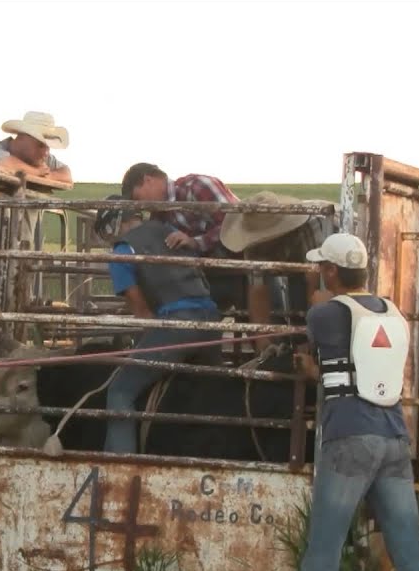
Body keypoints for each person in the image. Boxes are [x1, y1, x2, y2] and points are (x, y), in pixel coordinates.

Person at [270, 232, 419, 571]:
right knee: (408, 553)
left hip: (349, 438)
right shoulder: (393, 314)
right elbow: (356, 368)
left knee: (324, 548)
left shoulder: (325, 314)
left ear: (330, 270)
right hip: (393, 438)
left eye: (320, 268)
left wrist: (308, 368)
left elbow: (322, 353)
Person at [96, 196, 221, 454]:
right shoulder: (169, 231)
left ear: (114, 223)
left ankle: (119, 467)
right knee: (207, 395)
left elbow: (143, 314)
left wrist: (143, 346)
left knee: (120, 392)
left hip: (177, 325)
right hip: (211, 321)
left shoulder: (123, 251)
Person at [218, 191, 338, 352]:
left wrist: (310, 340)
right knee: (288, 306)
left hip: (331, 264)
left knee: (305, 299)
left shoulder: (312, 227)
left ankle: (308, 350)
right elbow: (257, 290)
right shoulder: (254, 245)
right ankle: (290, 351)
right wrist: (262, 340)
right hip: (301, 267)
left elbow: (315, 284)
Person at [120, 163, 244, 310]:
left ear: (148, 180)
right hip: (208, 278)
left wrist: (195, 242)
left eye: (138, 198)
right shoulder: (158, 216)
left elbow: (235, 224)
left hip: (242, 268)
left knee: (256, 322)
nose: (141, 206)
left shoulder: (196, 186)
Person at [0, 111, 73, 186]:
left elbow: (67, 174)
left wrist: (50, 175)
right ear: (22, 138)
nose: (46, 153)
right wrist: (38, 172)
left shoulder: (40, 158)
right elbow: (3, 163)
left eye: (48, 146)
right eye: (40, 145)